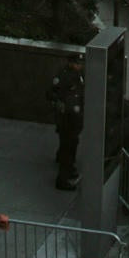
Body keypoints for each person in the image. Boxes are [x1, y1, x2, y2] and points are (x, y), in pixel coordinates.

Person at [48, 51, 84, 190]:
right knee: (67, 147)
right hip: (66, 118)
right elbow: (51, 93)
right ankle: (63, 179)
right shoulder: (63, 76)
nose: (79, 65)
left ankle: (69, 168)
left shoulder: (79, 75)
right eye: (77, 63)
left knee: (71, 145)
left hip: (74, 118)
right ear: (70, 63)